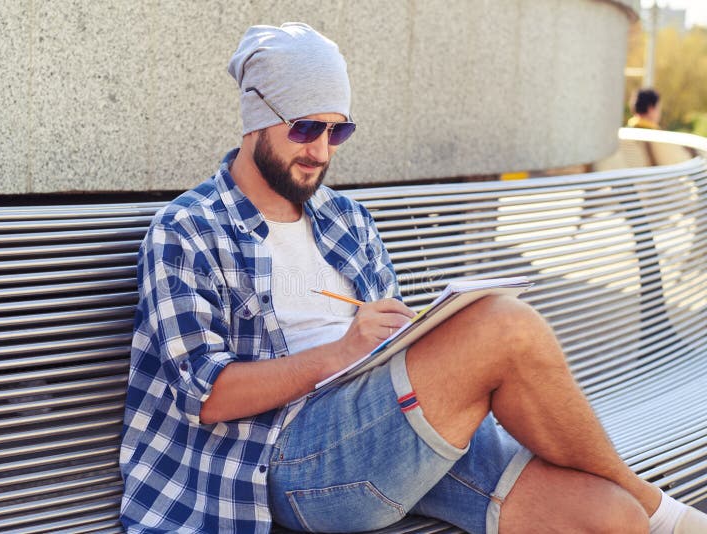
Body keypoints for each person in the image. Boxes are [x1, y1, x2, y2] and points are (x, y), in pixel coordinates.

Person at [119, 23, 707, 533]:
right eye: (304, 128)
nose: (321, 151)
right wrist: (340, 353)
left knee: (608, 520)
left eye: (338, 131)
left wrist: (411, 334)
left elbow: (389, 354)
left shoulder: (346, 220)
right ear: (256, 118)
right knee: (505, 327)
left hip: (381, 439)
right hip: (279, 460)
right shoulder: (187, 231)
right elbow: (207, 396)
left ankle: (639, 509)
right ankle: (659, 507)